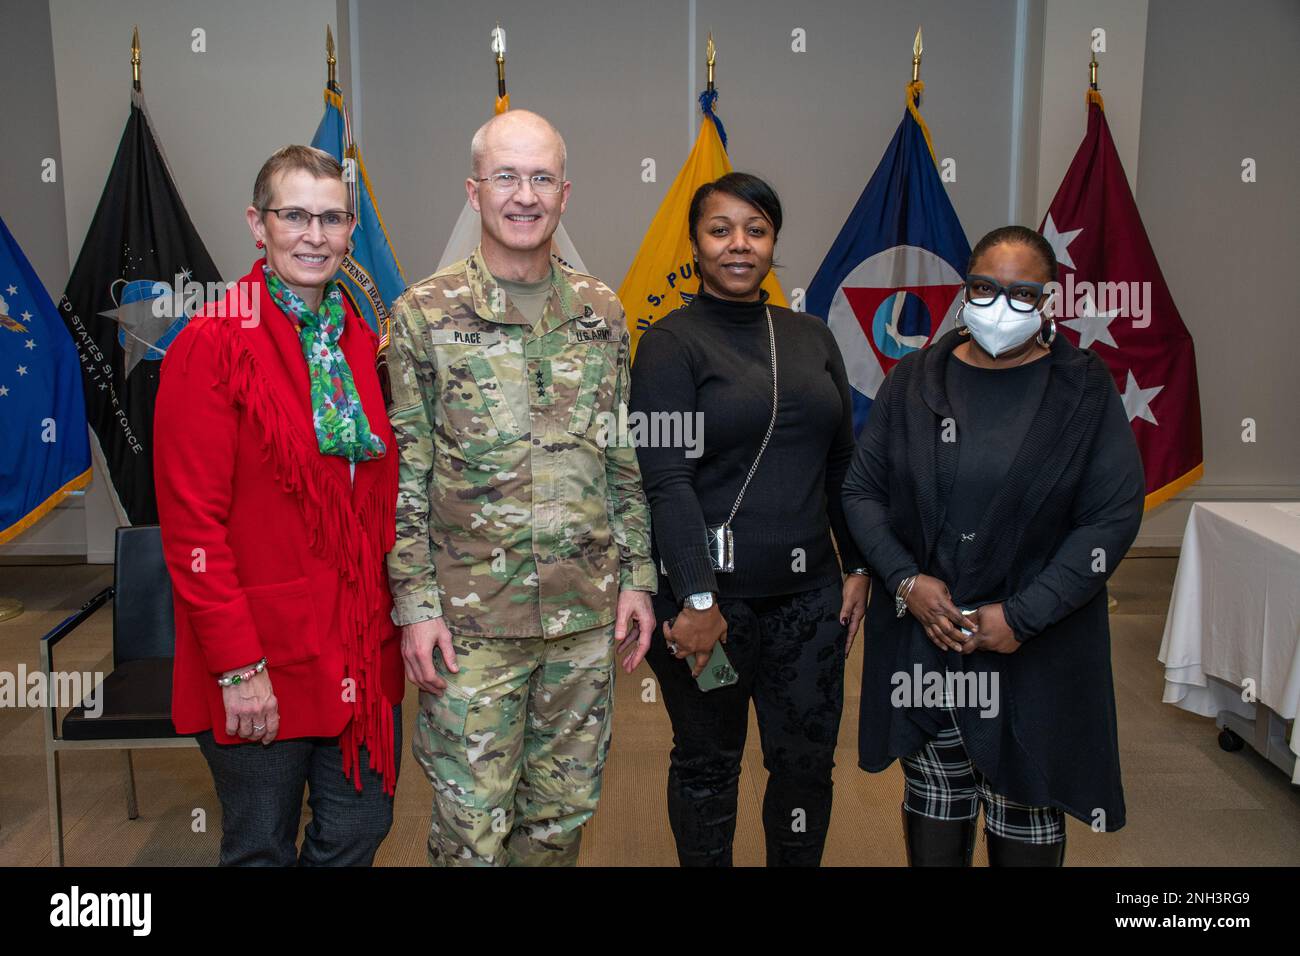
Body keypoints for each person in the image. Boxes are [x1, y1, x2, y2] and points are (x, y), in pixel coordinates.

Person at [384, 109, 657, 867]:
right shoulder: (422, 316)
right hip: (471, 627)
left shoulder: (603, 313)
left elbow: (621, 459)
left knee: (557, 822)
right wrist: (415, 606)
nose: (525, 195)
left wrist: (637, 579)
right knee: (471, 831)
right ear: (475, 192)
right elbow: (409, 474)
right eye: (507, 176)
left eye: (541, 178)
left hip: (582, 616)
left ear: (564, 193)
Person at [842, 225, 1145, 866]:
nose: (998, 305)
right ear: (965, 288)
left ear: (1047, 303)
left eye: (1021, 293)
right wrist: (902, 581)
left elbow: (1109, 518)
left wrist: (1022, 616)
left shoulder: (1084, 389)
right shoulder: (914, 378)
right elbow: (862, 492)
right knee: (936, 801)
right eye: (983, 287)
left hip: (1032, 652)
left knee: (1025, 809)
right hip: (926, 646)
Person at [154, 145, 403, 866]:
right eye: (294, 215)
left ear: (351, 230)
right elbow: (191, 527)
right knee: (261, 846)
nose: (314, 236)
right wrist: (238, 667)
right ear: (257, 223)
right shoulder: (212, 341)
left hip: (357, 643)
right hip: (262, 651)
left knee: (360, 828)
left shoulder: (357, 337)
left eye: (331, 218)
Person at [629, 172, 869, 867]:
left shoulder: (811, 334)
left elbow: (841, 466)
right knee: (709, 765)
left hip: (809, 602)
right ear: (696, 244)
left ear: (773, 242)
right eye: (720, 229)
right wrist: (699, 599)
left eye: (756, 230)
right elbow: (666, 479)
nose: (739, 244)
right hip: (709, 606)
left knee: (804, 767)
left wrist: (856, 564)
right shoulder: (670, 344)